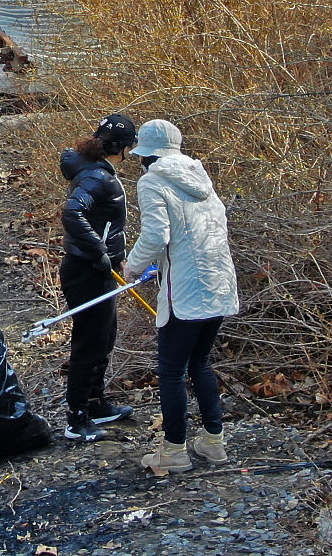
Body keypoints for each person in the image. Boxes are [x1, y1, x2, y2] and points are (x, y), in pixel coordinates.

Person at [123, 119, 239, 473]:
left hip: (186, 291)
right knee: (201, 362)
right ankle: (213, 442)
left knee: (172, 371)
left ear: (148, 154)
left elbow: (157, 234)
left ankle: (174, 450)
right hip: (219, 284)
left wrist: (133, 265)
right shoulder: (201, 177)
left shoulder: (152, 180)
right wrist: (160, 262)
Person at [59, 114, 139, 442]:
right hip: (87, 270)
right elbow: (72, 212)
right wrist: (99, 251)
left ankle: (95, 403)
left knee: (104, 338)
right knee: (89, 343)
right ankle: (76, 417)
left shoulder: (96, 172)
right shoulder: (97, 178)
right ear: (121, 148)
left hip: (97, 269)